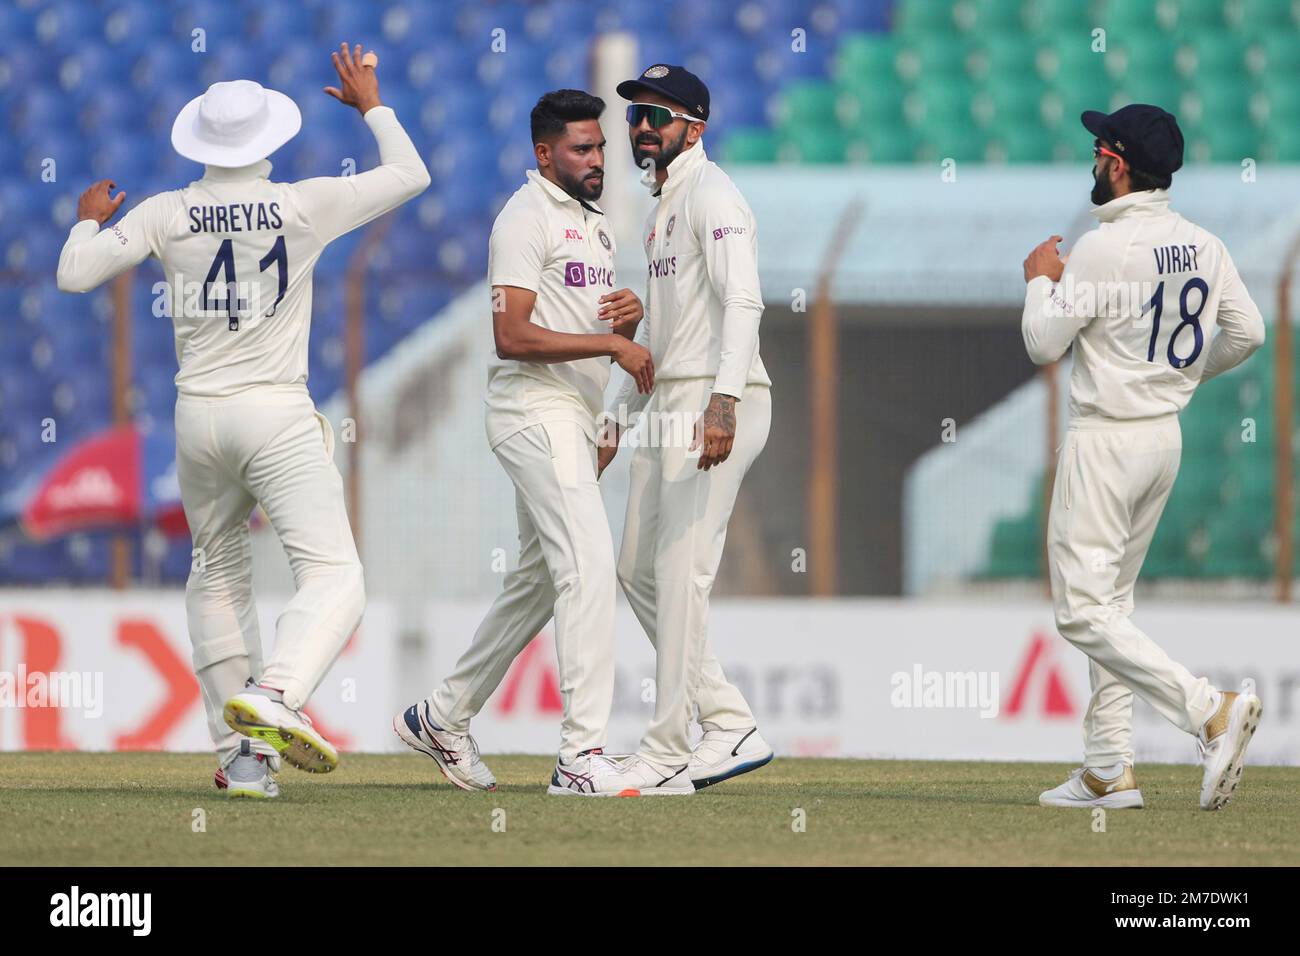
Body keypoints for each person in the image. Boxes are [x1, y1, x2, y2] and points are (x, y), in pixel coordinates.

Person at [57, 44, 430, 798]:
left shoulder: (164, 211)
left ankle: (242, 760)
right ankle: (279, 693)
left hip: (199, 418)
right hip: (276, 412)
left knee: (216, 572)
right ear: (268, 141)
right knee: (334, 576)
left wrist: (86, 223)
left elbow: (73, 275)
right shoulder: (302, 203)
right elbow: (411, 175)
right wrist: (372, 106)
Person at [392, 90, 653, 796]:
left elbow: (585, 333)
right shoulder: (524, 217)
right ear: (544, 154)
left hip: (571, 415)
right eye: (580, 149)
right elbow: (513, 337)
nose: (597, 160)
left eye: (599, 147)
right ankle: (580, 758)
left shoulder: (595, 228)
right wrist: (609, 344)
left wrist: (621, 325)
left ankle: (441, 715)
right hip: (530, 410)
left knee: (539, 581)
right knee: (590, 565)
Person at [1022, 104, 1265, 812]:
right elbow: (1246, 333)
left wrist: (1041, 276)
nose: (1093, 163)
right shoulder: (1203, 243)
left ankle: (1209, 711)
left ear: (1118, 162)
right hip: (1163, 438)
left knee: (1079, 612)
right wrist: (1180, 377)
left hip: (1105, 439)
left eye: (1099, 150)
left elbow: (1043, 343)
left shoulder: (1102, 247)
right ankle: (1107, 769)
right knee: (1111, 606)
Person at [595, 64, 775, 795]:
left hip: (713, 404)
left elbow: (746, 304)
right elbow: (664, 338)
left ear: (693, 129)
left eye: (657, 115)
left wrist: (723, 403)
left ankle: (667, 747)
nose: (642, 125)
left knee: (680, 577)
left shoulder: (714, 193)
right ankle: (728, 722)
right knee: (638, 571)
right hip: (669, 402)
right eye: (636, 113)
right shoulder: (663, 207)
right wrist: (616, 415)